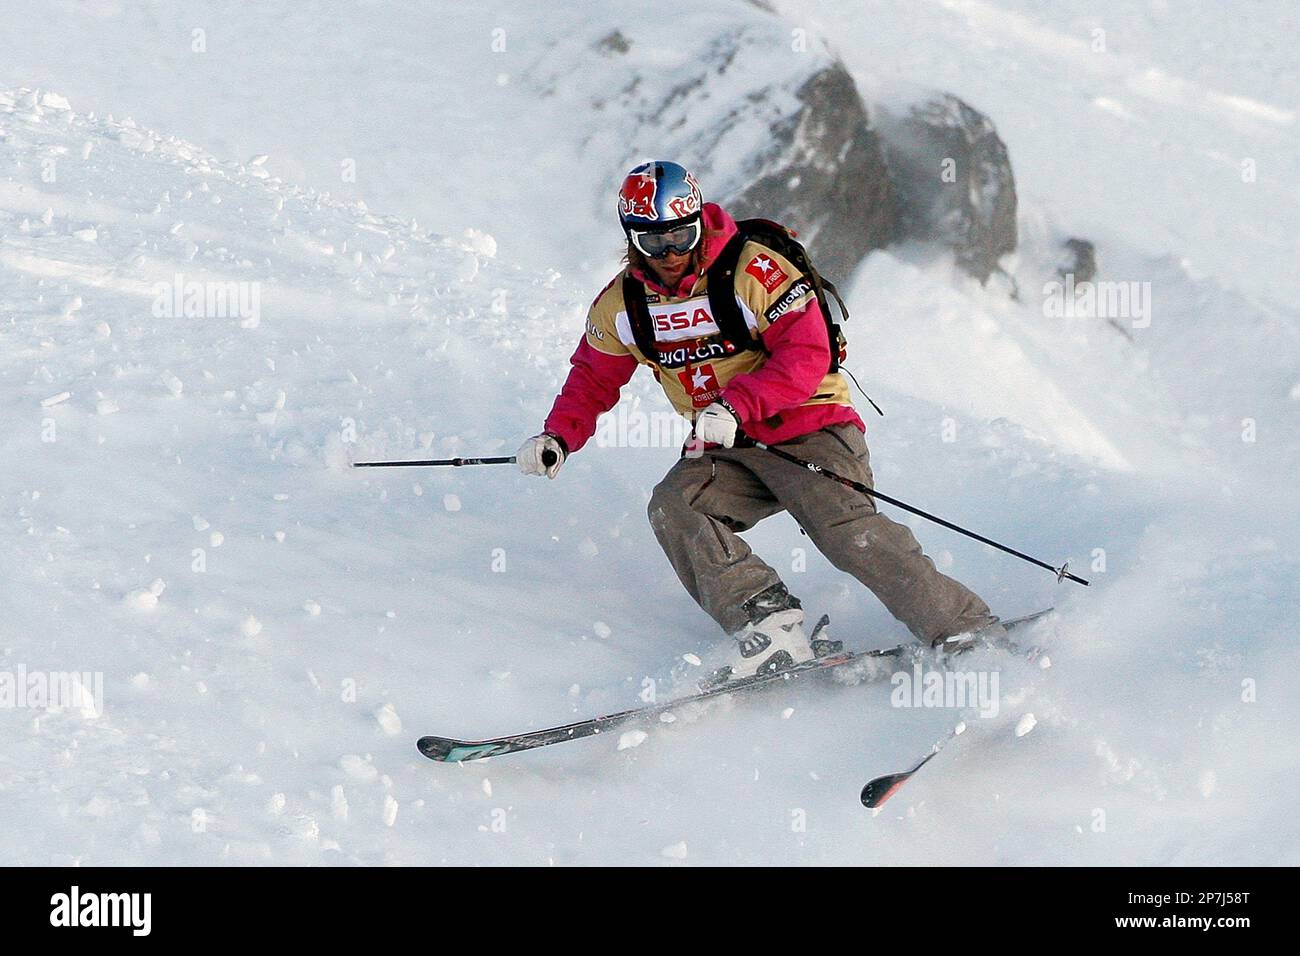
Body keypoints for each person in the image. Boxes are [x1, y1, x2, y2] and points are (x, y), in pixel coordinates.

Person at [518, 160, 1000, 681]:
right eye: (655, 243)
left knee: (846, 532)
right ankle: (768, 624)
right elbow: (592, 377)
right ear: (633, 241)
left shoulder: (755, 270)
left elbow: (806, 352)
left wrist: (735, 405)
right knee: (676, 507)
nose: (672, 254)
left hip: (810, 427)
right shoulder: (623, 307)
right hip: (727, 445)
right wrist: (558, 437)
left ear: (700, 221)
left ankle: (964, 631)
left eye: (682, 235)